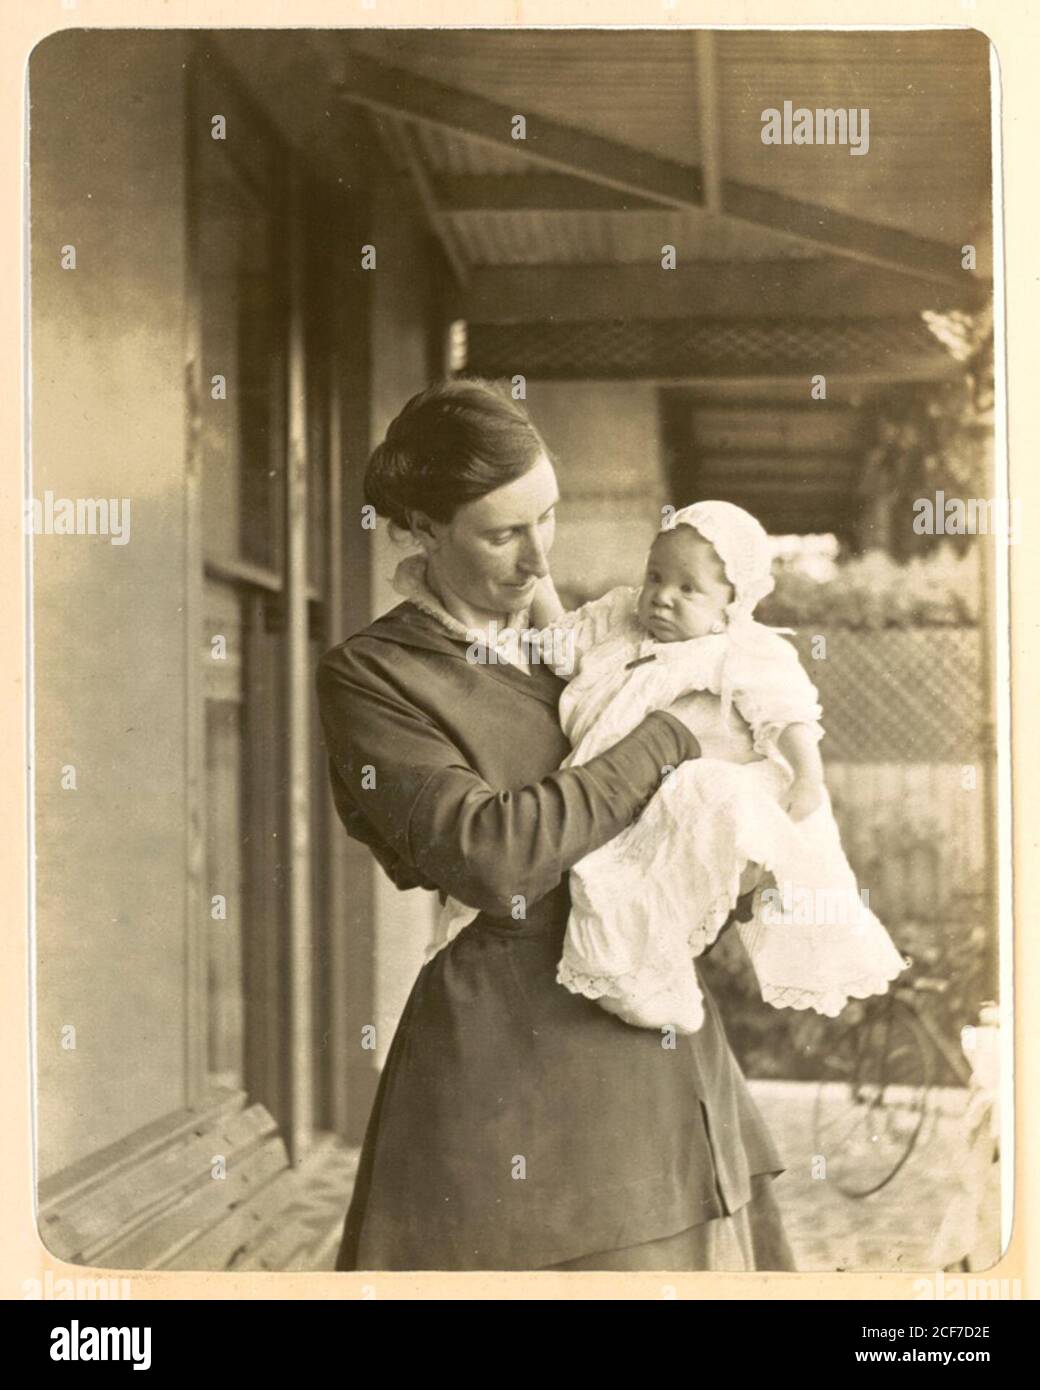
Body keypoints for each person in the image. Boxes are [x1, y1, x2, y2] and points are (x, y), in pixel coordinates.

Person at [316, 377, 797, 1272]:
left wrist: (746, 843)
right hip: (517, 1065)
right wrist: (670, 738)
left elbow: (691, 814)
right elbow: (490, 852)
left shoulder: (592, 642)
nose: (539, 558)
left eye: (548, 517)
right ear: (421, 531)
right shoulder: (375, 675)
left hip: (666, 1039)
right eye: (503, 533)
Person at [433, 499, 907, 1035]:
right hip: (618, 787)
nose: (662, 597)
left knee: (677, 838)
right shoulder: (619, 621)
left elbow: (787, 711)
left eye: (688, 589)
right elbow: (556, 643)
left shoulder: (735, 650)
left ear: (730, 604)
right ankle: (641, 978)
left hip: (688, 789)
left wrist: (808, 776)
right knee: (607, 877)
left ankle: (646, 974)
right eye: (655, 576)